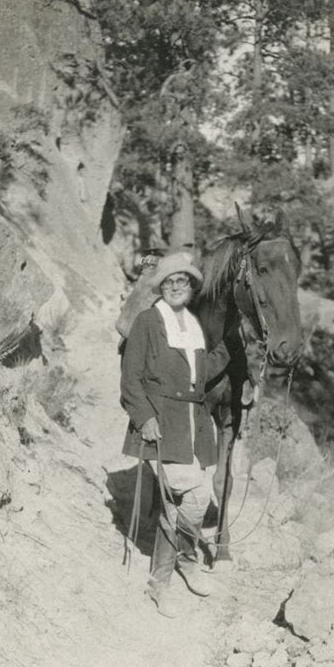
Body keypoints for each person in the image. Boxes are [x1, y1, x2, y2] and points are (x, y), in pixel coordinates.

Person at [120, 250, 231, 617]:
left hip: (194, 426)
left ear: (192, 286)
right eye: (169, 282)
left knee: (187, 501)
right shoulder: (149, 321)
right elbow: (130, 378)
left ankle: (183, 559)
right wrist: (144, 417)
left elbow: (198, 375)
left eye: (182, 281)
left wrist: (231, 348)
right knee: (189, 499)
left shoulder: (193, 325)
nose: (176, 287)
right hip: (163, 423)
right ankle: (162, 581)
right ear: (161, 287)